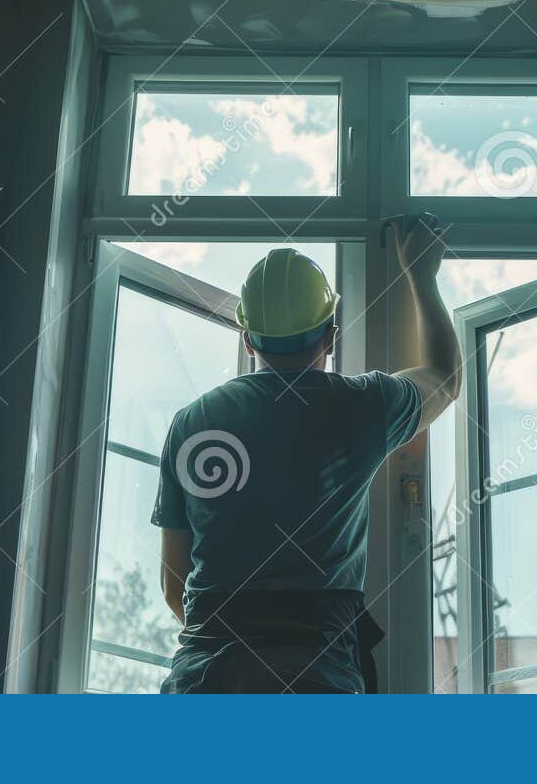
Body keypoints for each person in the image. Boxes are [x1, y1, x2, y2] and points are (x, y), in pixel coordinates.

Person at [151, 215, 461, 693]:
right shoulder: (362, 405)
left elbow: (176, 586)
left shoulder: (192, 422)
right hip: (318, 680)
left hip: (204, 679)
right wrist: (421, 274)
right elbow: (445, 377)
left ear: (246, 337)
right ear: (332, 336)